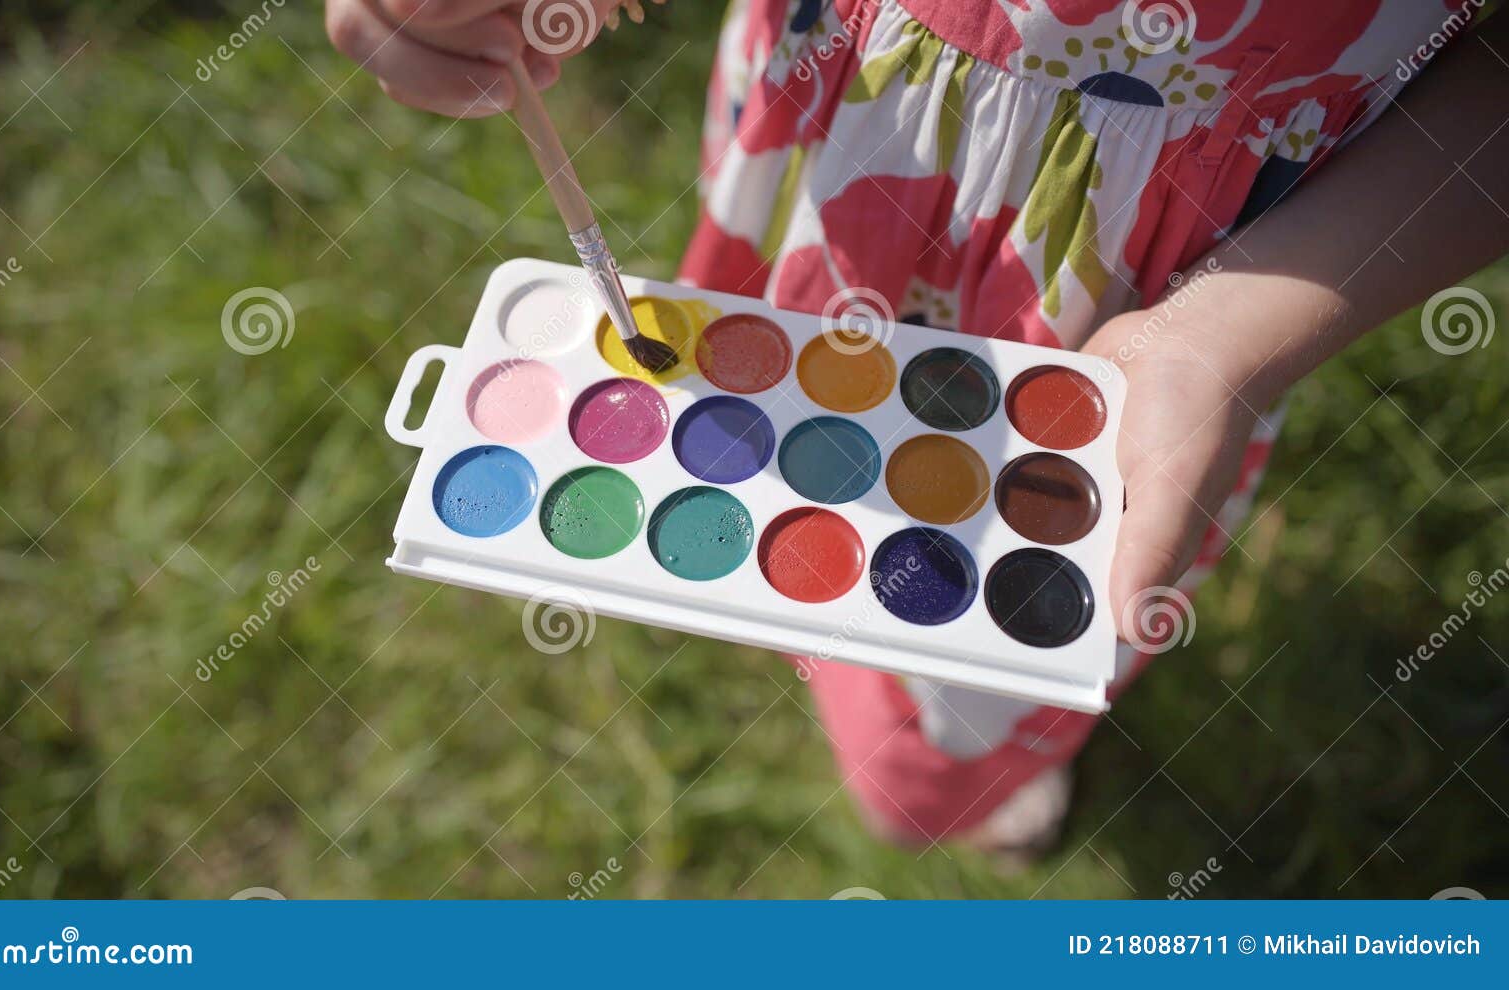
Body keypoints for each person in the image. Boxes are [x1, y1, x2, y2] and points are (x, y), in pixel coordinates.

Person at [326, 0, 1509, 854]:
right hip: (848, 115)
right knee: (780, 473)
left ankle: (960, 762)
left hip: (1175, 274)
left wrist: (1219, 339)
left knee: (995, 614)